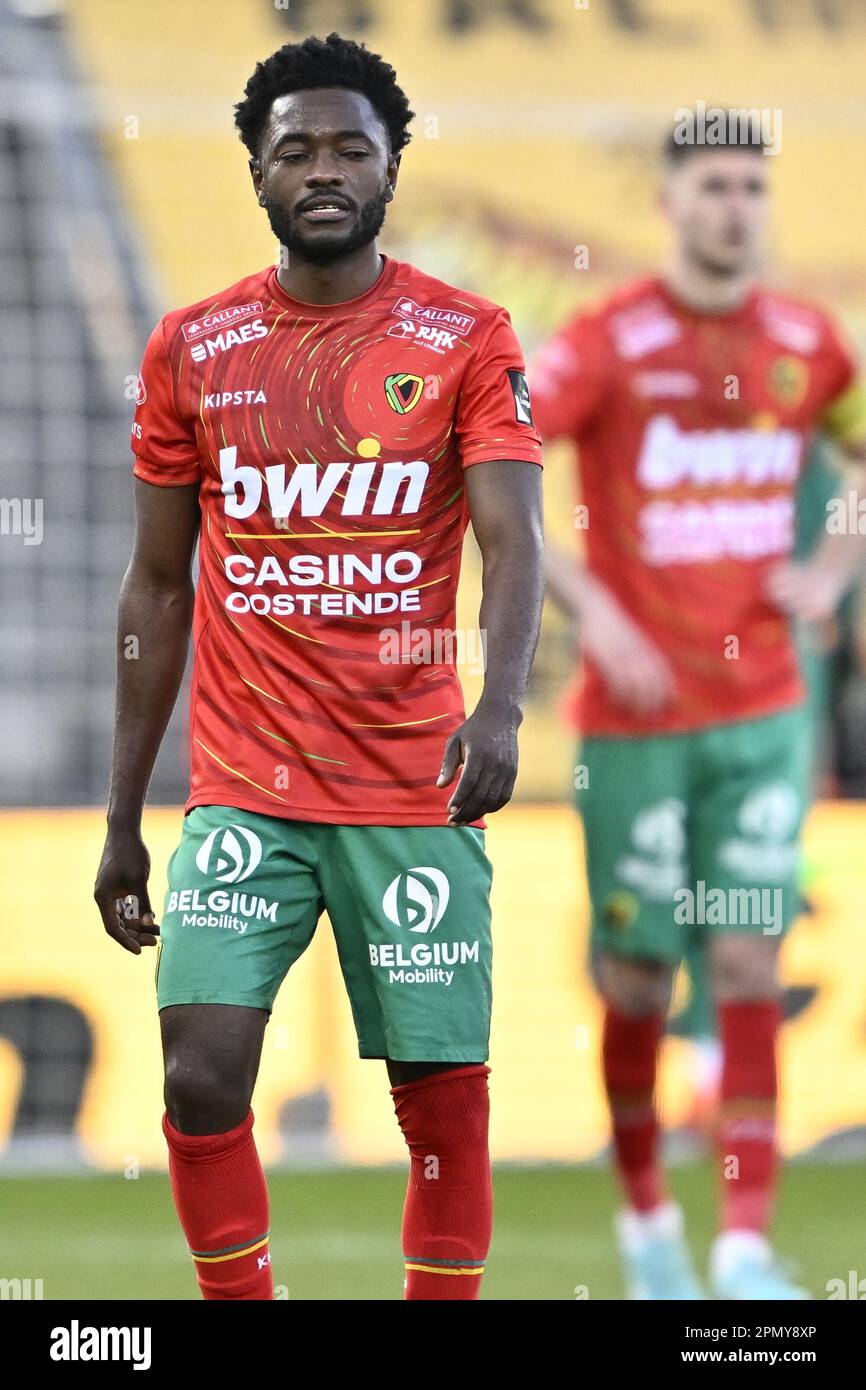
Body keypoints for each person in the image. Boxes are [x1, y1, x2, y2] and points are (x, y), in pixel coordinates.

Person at [94, 31, 543, 1302]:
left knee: (439, 1104)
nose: (324, 167)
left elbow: (513, 537)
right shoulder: (193, 345)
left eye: (352, 145)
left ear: (393, 165)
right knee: (197, 1075)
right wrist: (126, 814)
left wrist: (499, 708)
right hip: (245, 786)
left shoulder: (466, 333)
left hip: (414, 782)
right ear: (256, 169)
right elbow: (156, 583)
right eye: (296, 147)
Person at [533, 112, 866, 1299]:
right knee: (635, 978)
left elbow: (858, 458)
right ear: (667, 204)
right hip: (636, 725)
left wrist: (828, 570)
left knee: (744, 957)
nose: (734, 204)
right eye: (711, 184)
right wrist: (599, 616)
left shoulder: (805, 343)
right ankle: (642, 1226)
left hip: (764, 708)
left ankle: (738, 1245)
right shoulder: (607, 341)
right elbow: (503, 474)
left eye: (750, 185)